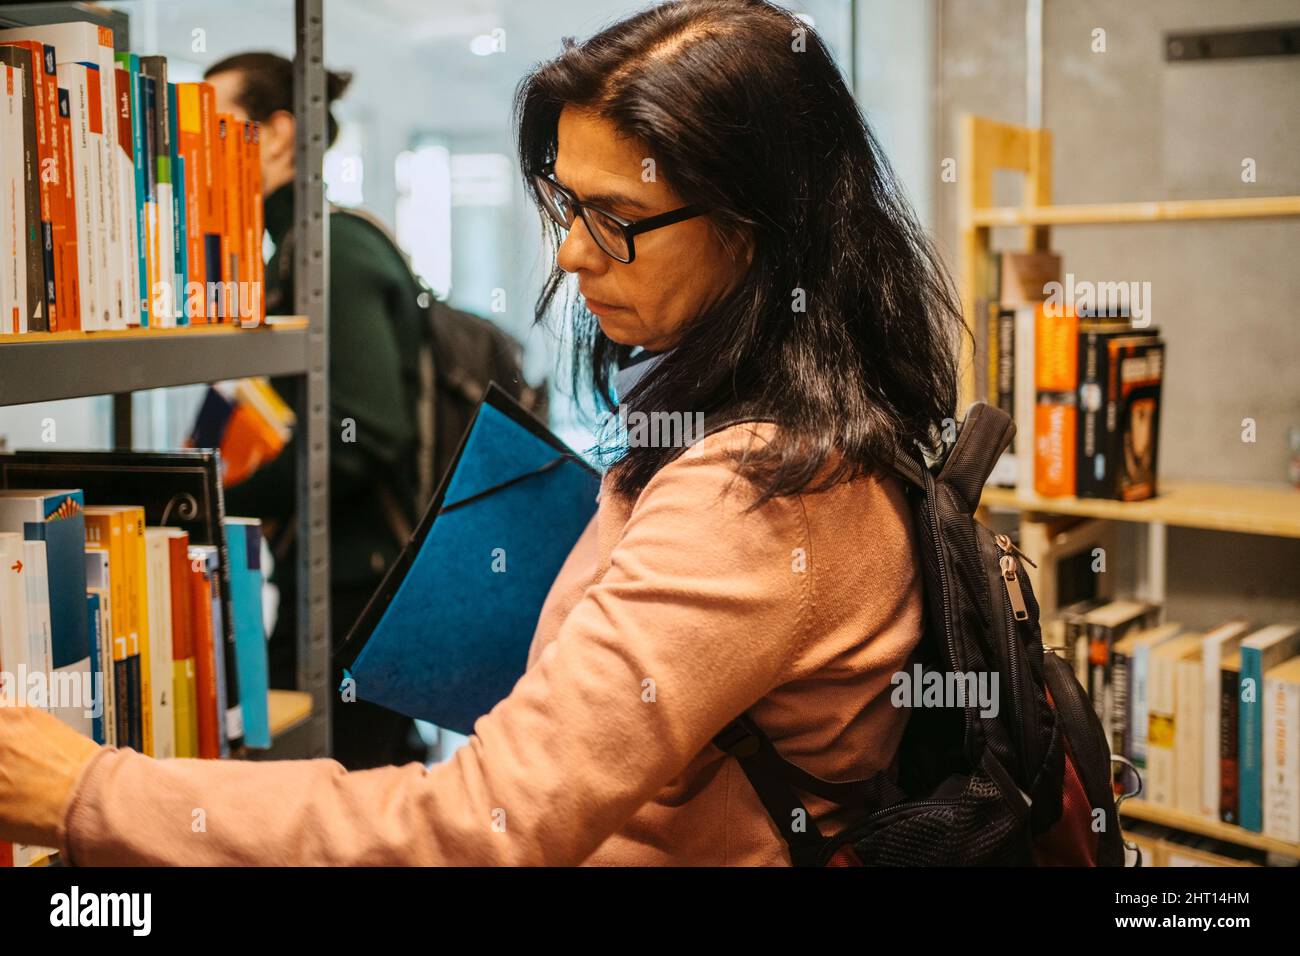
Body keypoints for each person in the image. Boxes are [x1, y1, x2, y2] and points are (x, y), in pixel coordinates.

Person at [0, 0, 964, 865]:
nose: (572, 253)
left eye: (618, 217)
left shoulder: (757, 495)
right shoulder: (820, 424)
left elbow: (476, 828)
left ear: (758, 228)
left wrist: (93, 793)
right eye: (566, 204)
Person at [204, 53, 430, 769]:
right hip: (323, 585)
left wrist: (215, 500)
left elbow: (364, 436)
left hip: (358, 600)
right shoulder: (286, 255)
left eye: (210, 128)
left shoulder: (333, 252)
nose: (187, 154)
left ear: (276, 135)